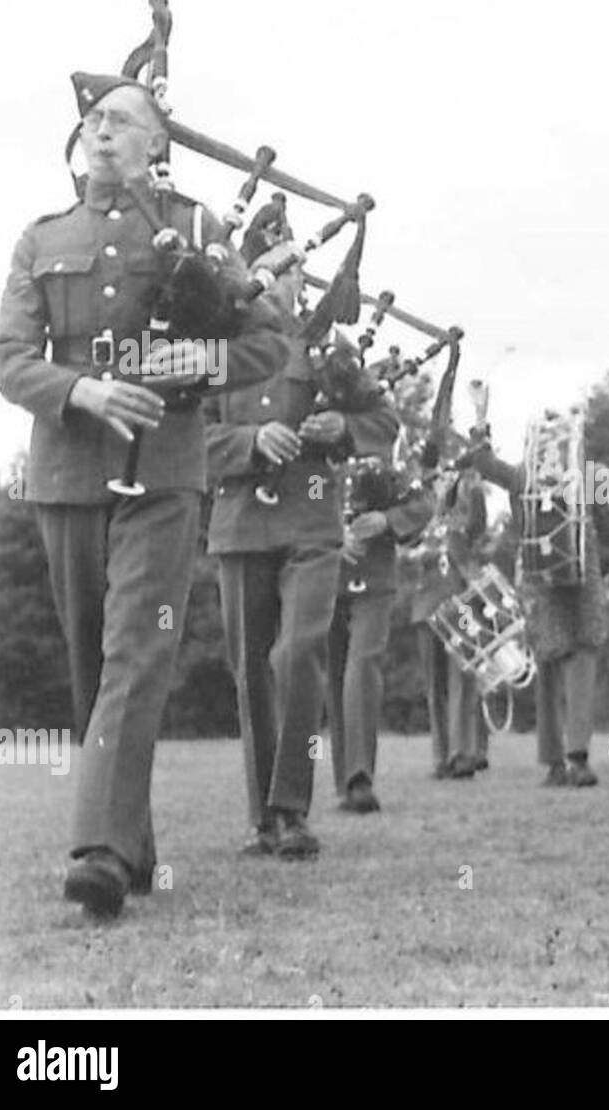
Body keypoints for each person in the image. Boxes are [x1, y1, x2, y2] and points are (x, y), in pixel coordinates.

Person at [0, 72, 291, 917]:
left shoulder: (198, 229)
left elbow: (267, 342)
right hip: (67, 476)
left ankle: (98, 853)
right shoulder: (41, 237)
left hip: (163, 471)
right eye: (94, 121)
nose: (103, 131)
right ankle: (132, 840)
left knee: (135, 650)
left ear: (157, 143)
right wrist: (81, 391)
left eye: (122, 121)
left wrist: (178, 365)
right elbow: (10, 356)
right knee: (92, 665)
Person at [206, 300, 399, 859]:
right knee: (251, 671)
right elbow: (187, 438)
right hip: (241, 524)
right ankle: (263, 819)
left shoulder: (327, 348)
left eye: (295, 266)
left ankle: (292, 808)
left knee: (298, 652)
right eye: (276, 263)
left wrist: (344, 427)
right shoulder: (213, 348)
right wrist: (249, 442)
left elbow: (385, 423)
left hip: (313, 522)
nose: (289, 280)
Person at [469, 413, 602, 787]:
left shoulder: (573, 477)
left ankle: (566, 758)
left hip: (570, 579)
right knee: (557, 660)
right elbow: (484, 463)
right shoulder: (554, 478)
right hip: (547, 579)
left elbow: (484, 464)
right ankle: (564, 758)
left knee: (568, 660)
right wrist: (480, 420)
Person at [326, 458, 433, 812]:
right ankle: (346, 779)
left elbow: (423, 502)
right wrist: (329, 535)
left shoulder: (388, 441)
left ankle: (359, 778)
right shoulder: (311, 429)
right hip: (324, 573)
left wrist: (388, 520)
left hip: (375, 579)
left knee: (362, 665)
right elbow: (301, 497)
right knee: (334, 676)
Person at [403, 466, 491, 780]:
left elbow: (478, 527)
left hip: (461, 599)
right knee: (436, 684)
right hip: (426, 603)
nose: (440, 484)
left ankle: (463, 753)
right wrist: (414, 553)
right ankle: (441, 757)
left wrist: (476, 488)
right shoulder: (417, 510)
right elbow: (403, 545)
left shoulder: (463, 514)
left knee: (464, 678)